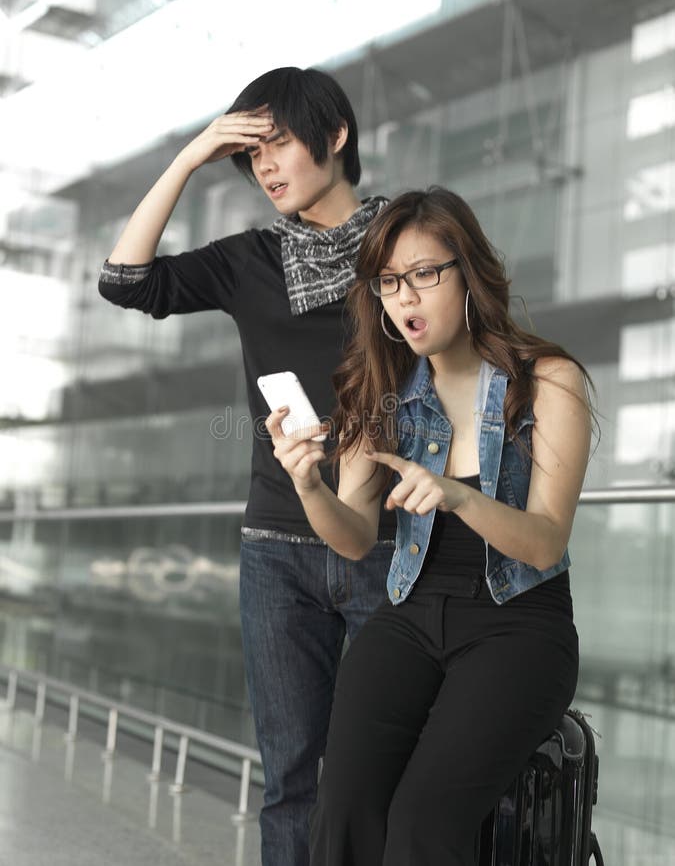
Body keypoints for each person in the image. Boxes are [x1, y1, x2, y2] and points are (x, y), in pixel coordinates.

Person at [97, 66, 397, 866]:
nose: (264, 169)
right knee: (292, 780)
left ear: (335, 138)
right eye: (248, 156)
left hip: (392, 544)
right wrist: (189, 157)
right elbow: (125, 281)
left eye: (279, 145)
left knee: (383, 777)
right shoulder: (248, 260)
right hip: (276, 546)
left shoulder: (407, 245)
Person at [266, 187, 593, 866]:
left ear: (467, 273)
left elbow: (545, 541)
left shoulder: (546, 382)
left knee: (421, 826)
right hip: (410, 616)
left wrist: (456, 496)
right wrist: (306, 485)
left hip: (518, 626)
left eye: (423, 274)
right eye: (388, 282)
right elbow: (354, 535)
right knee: (345, 807)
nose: (405, 298)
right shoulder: (377, 391)